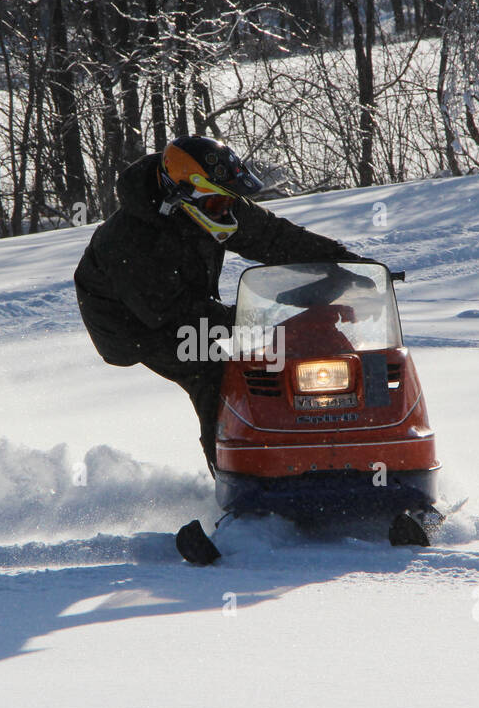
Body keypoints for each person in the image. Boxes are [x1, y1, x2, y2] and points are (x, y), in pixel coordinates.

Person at [74, 135, 364, 474]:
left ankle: (317, 450)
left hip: (184, 297)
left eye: (230, 201)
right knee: (214, 369)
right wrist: (259, 319)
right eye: (216, 205)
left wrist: (341, 261)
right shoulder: (129, 242)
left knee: (276, 358)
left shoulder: (213, 200)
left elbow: (271, 236)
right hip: (134, 326)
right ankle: (234, 475)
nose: (225, 210)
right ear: (180, 196)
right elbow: (178, 313)